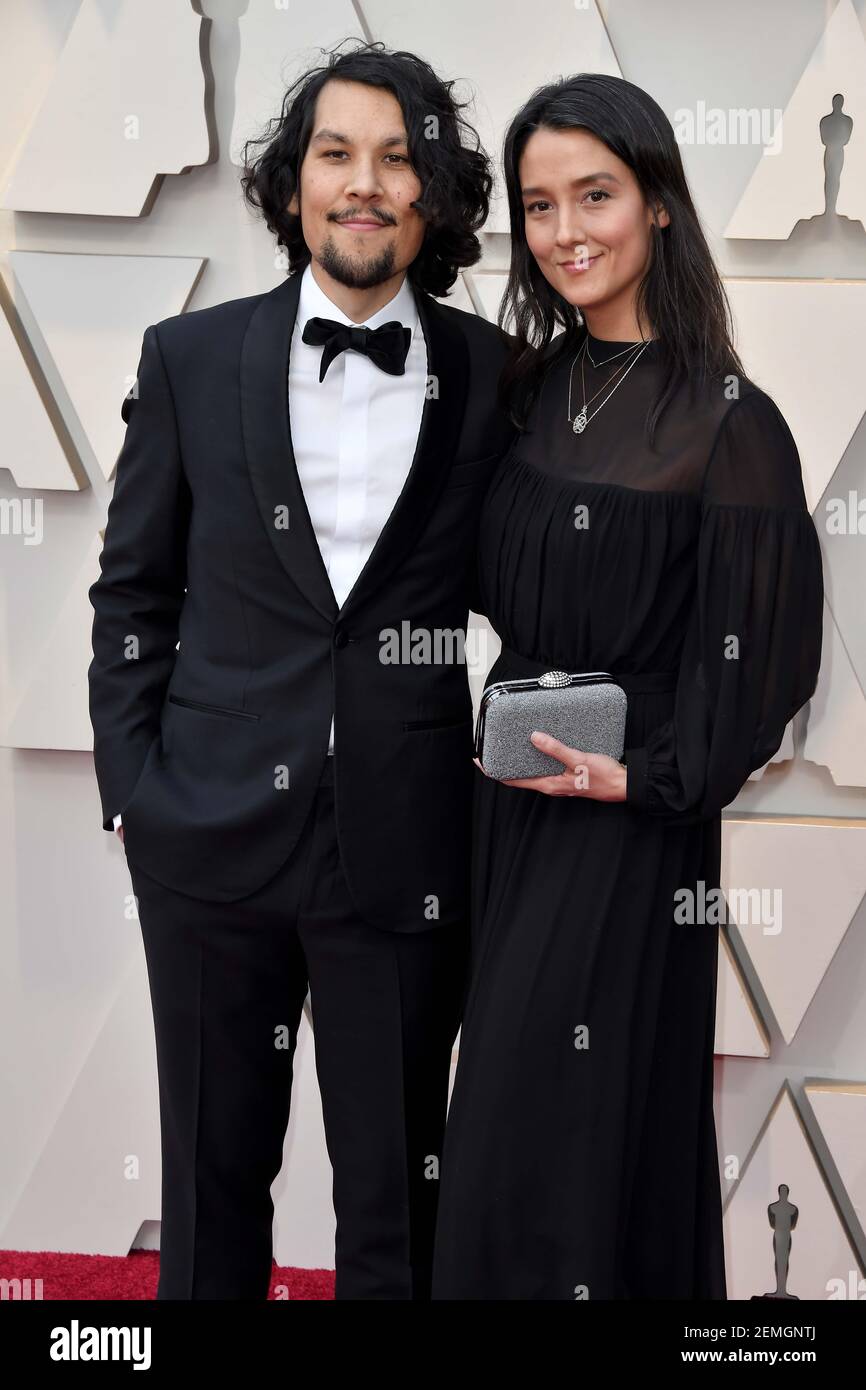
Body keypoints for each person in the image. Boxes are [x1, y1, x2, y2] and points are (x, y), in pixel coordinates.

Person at [87, 39, 513, 1300]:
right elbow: (131, 591)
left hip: (405, 847)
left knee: (398, 1209)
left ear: (429, 199)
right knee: (210, 1199)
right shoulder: (190, 358)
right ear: (291, 188)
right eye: (336, 154)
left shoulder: (494, 377)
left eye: (397, 158)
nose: (364, 182)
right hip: (206, 835)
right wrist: (136, 787)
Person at [431, 72, 824, 1300]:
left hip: (630, 827)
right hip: (509, 805)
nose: (564, 234)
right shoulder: (524, 392)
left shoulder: (728, 421)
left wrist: (648, 774)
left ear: (657, 201)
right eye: (538, 207)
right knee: (514, 1122)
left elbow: (762, 661)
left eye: (592, 195)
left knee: (550, 1121)